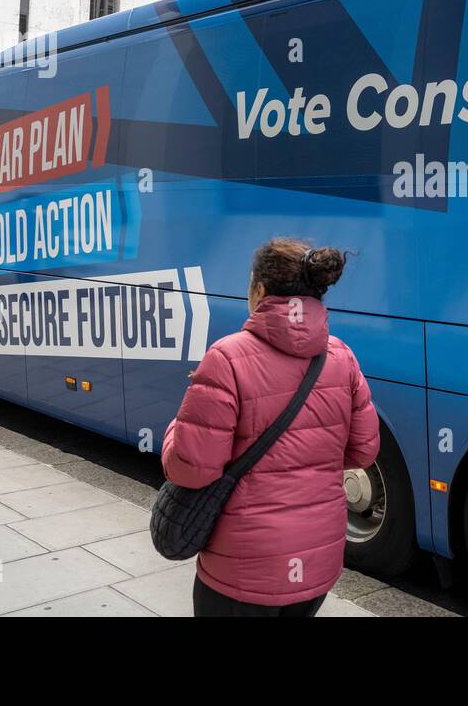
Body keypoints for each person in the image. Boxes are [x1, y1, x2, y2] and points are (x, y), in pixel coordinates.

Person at [161, 238, 380, 617]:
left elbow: (191, 469)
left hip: (243, 565)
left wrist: (175, 429)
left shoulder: (226, 358)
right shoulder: (342, 357)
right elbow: (363, 451)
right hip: (317, 555)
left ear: (260, 290)